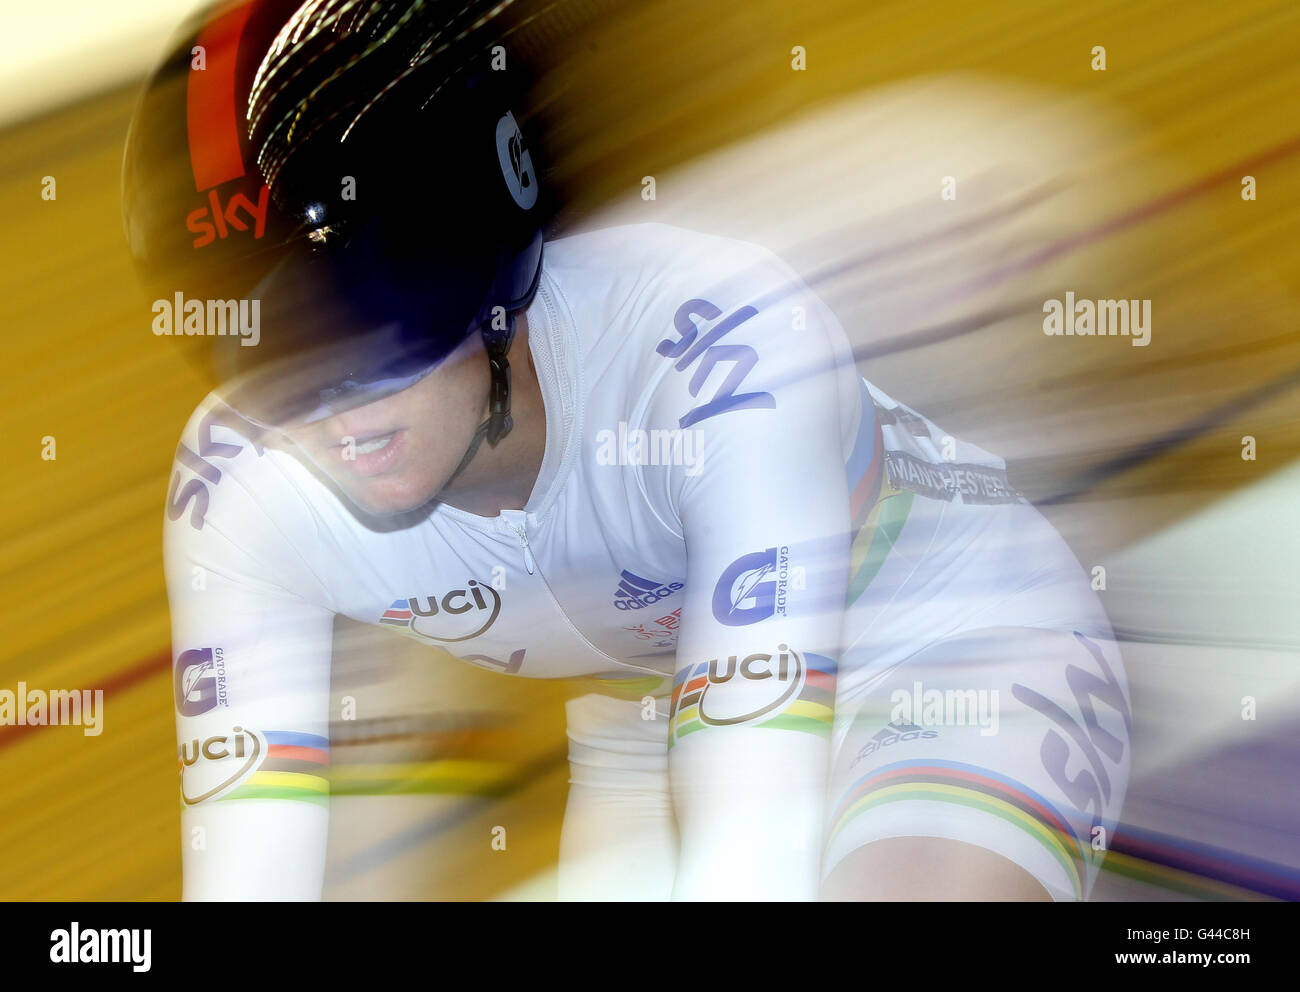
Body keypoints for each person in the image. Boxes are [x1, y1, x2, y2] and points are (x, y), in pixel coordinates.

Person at [124, 0, 1132, 901]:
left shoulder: (717, 356)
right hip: (668, 718)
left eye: (383, 326)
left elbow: (753, 852)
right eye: (272, 355)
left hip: (948, 650)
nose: (338, 409)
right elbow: (250, 877)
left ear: (493, 265)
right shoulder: (236, 488)